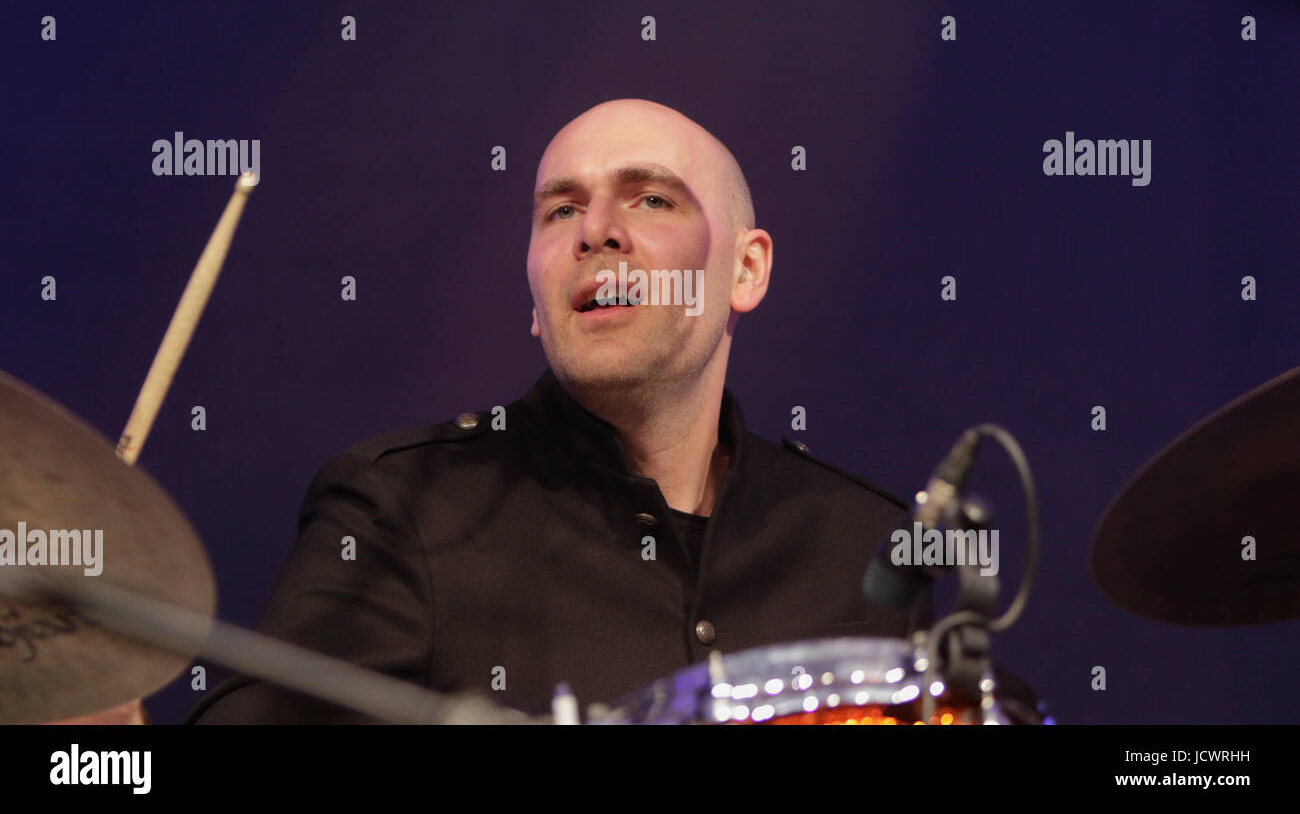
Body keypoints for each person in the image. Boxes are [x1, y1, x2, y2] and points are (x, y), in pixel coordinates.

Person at [185, 98, 930, 723]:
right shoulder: (403, 507)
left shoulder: (864, 545)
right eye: (561, 208)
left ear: (745, 268)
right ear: (538, 304)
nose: (594, 230)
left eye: (652, 199)